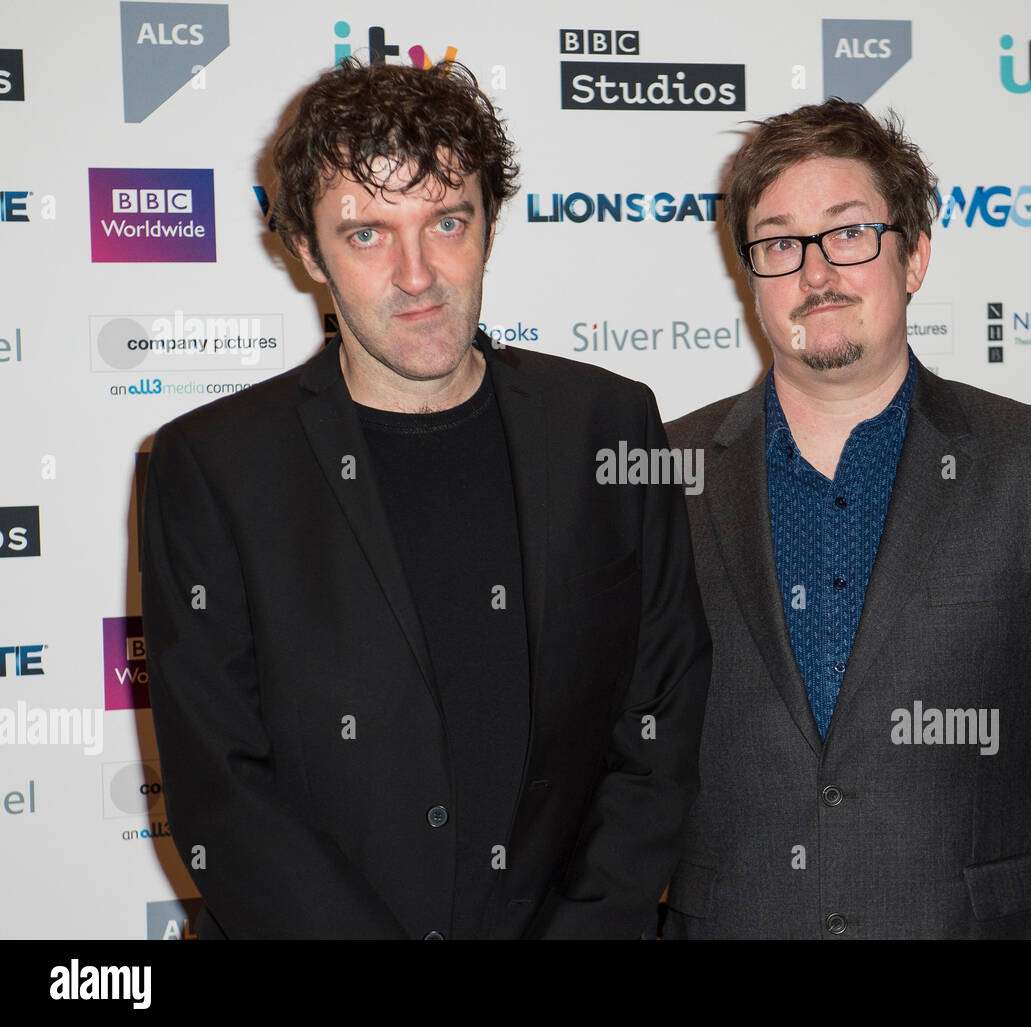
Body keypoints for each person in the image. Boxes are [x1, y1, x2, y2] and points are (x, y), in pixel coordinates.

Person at [140, 59, 710, 940]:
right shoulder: (210, 465)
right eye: (367, 233)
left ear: (488, 225)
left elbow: (662, 712)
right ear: (307, 252)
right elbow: (222, 789)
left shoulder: (612, 423)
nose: (417, 274)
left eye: (447, 221)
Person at [662, 99, 1031, 939]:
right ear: (749, 274)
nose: (814, 271)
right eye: (777, 243)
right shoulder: (662, 475)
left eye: (848, 233)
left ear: (914, 258)